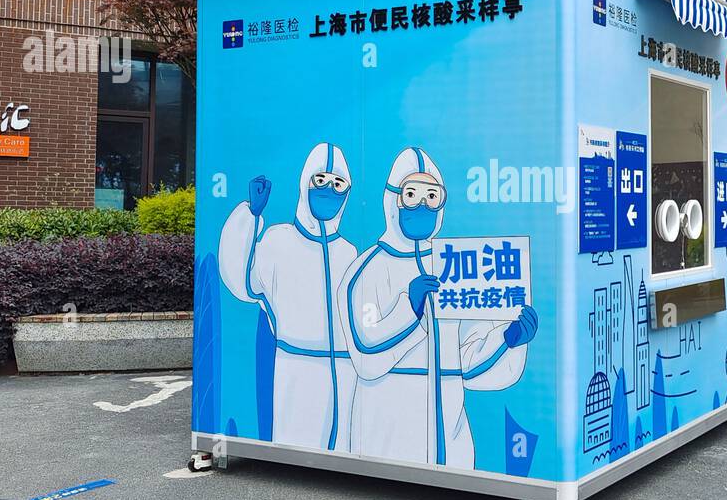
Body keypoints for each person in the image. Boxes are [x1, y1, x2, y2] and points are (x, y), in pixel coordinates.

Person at [339, 147, 538, 468]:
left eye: (431, 196)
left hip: (450, 431)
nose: (421, 204)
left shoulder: (454, 268)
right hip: (387, 431)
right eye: (412, 194)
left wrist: (508, 338)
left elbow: (469, 362)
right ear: (393, 200)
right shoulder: (368, 270)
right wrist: (410, 308)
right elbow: (365, 352)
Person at [218, 143, 358, 451]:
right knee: (295, 442)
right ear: (305, 182)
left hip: (346, 373)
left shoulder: (349, 253)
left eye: (337, 184)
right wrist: (250, 216)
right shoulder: (278, 241)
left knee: (343, 444)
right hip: (295, 368)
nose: (328, 191)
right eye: (320, 180)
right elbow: (243, 282)